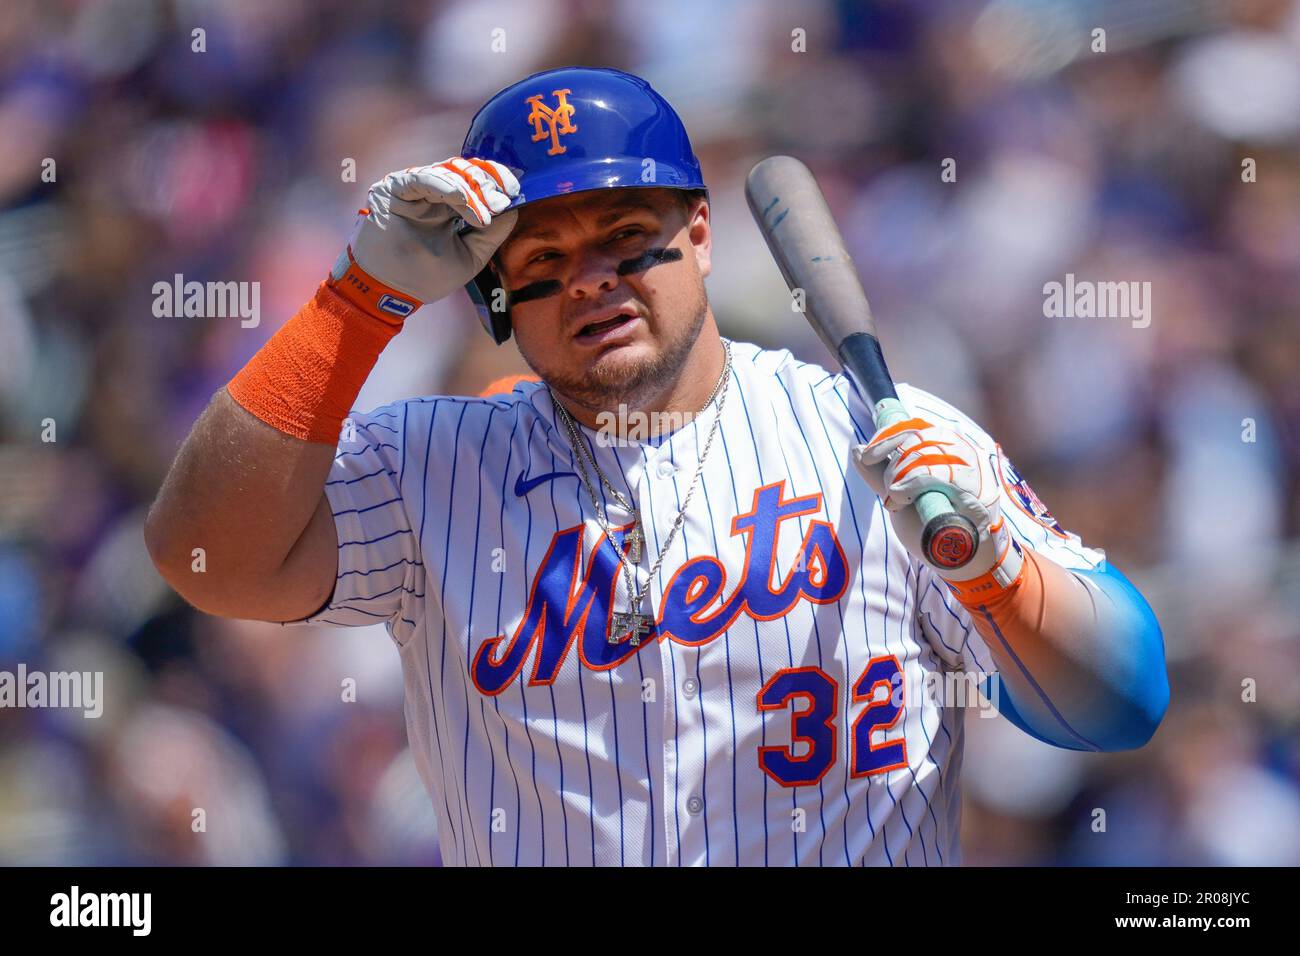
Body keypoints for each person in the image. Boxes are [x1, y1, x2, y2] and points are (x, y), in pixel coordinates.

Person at [145, 66, 1169, 866]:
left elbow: (1118, 704)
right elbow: (205, 555)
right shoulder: (431, 462)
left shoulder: (871, 436)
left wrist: (990, 569)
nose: (590, 281)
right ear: (494, 295)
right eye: (540, 263)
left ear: (701, 235)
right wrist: (355, 299)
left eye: (626, 238)